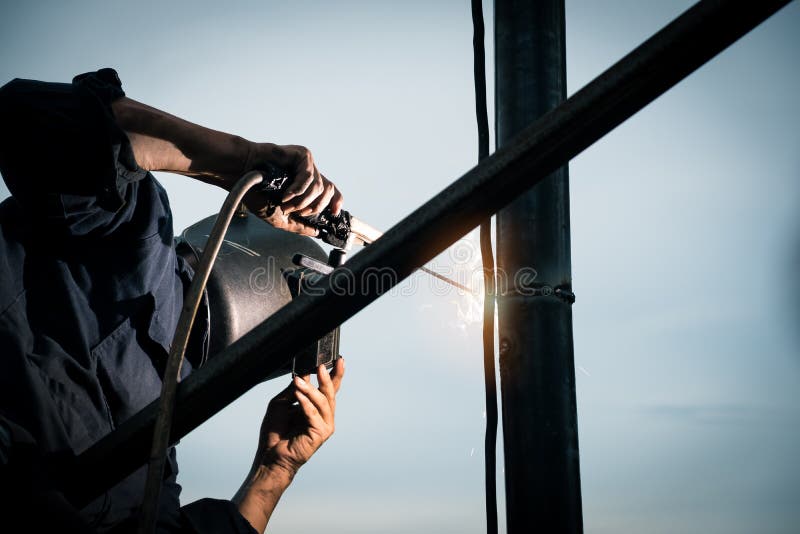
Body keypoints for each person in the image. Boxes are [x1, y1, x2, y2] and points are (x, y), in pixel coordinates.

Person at [0, 68, 345, 533]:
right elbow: (30, 120)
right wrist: (240, 160)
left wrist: (274, 468)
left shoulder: (155, 451)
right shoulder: (135, 231)